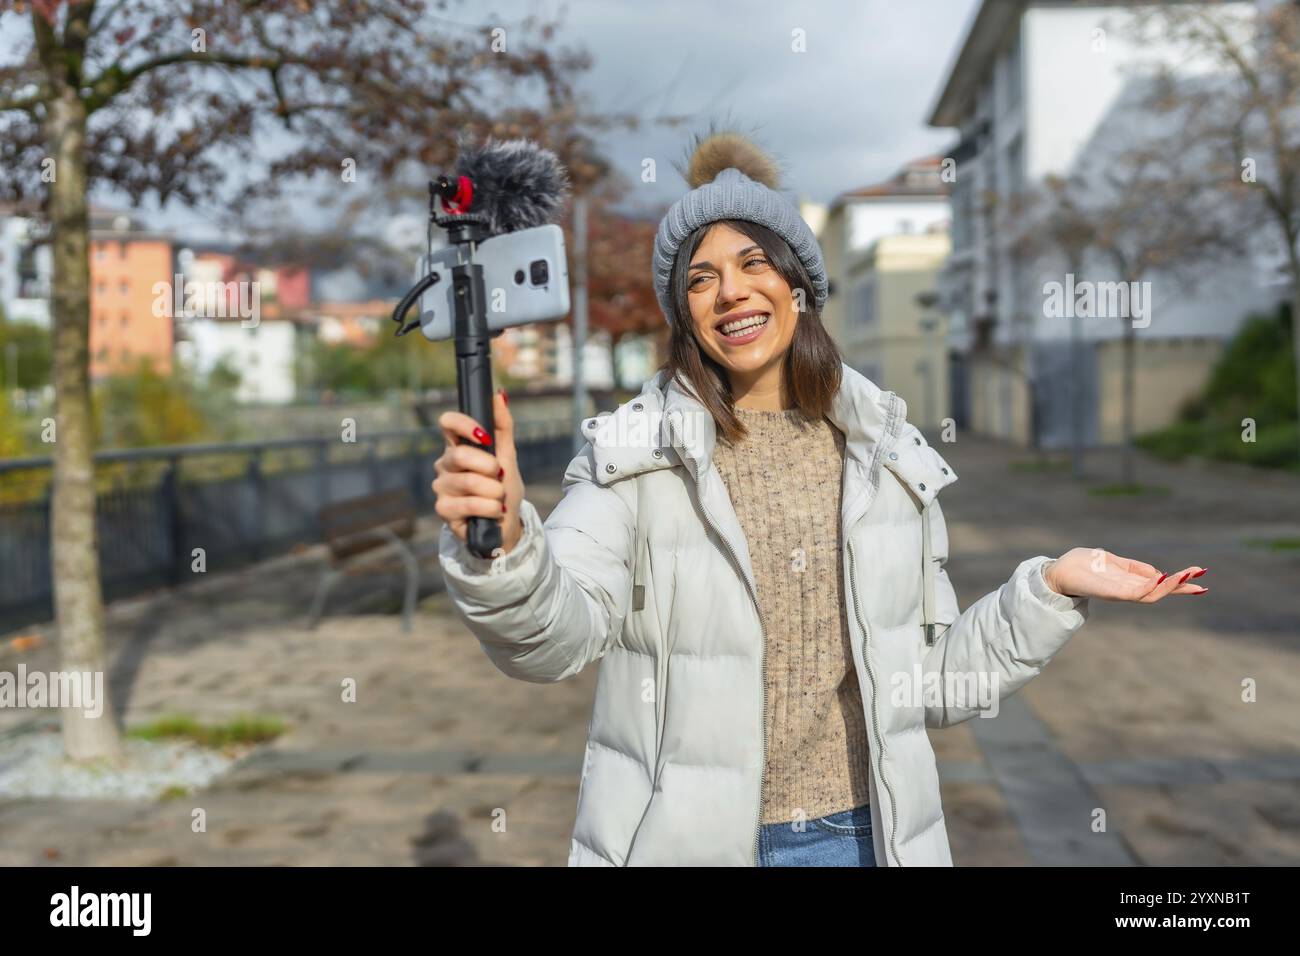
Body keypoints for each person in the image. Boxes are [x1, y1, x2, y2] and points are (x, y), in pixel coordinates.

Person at [433, 129, 1208, 867]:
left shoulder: (888, 453)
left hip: (864, 839)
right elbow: (553, 639)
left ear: (799, 283)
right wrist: (505, 545)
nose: (730, 292)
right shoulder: (634, 453)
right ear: (684, 314)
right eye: (699, 279)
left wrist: (1048, 588)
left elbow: (928, 685)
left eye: (753, 263)